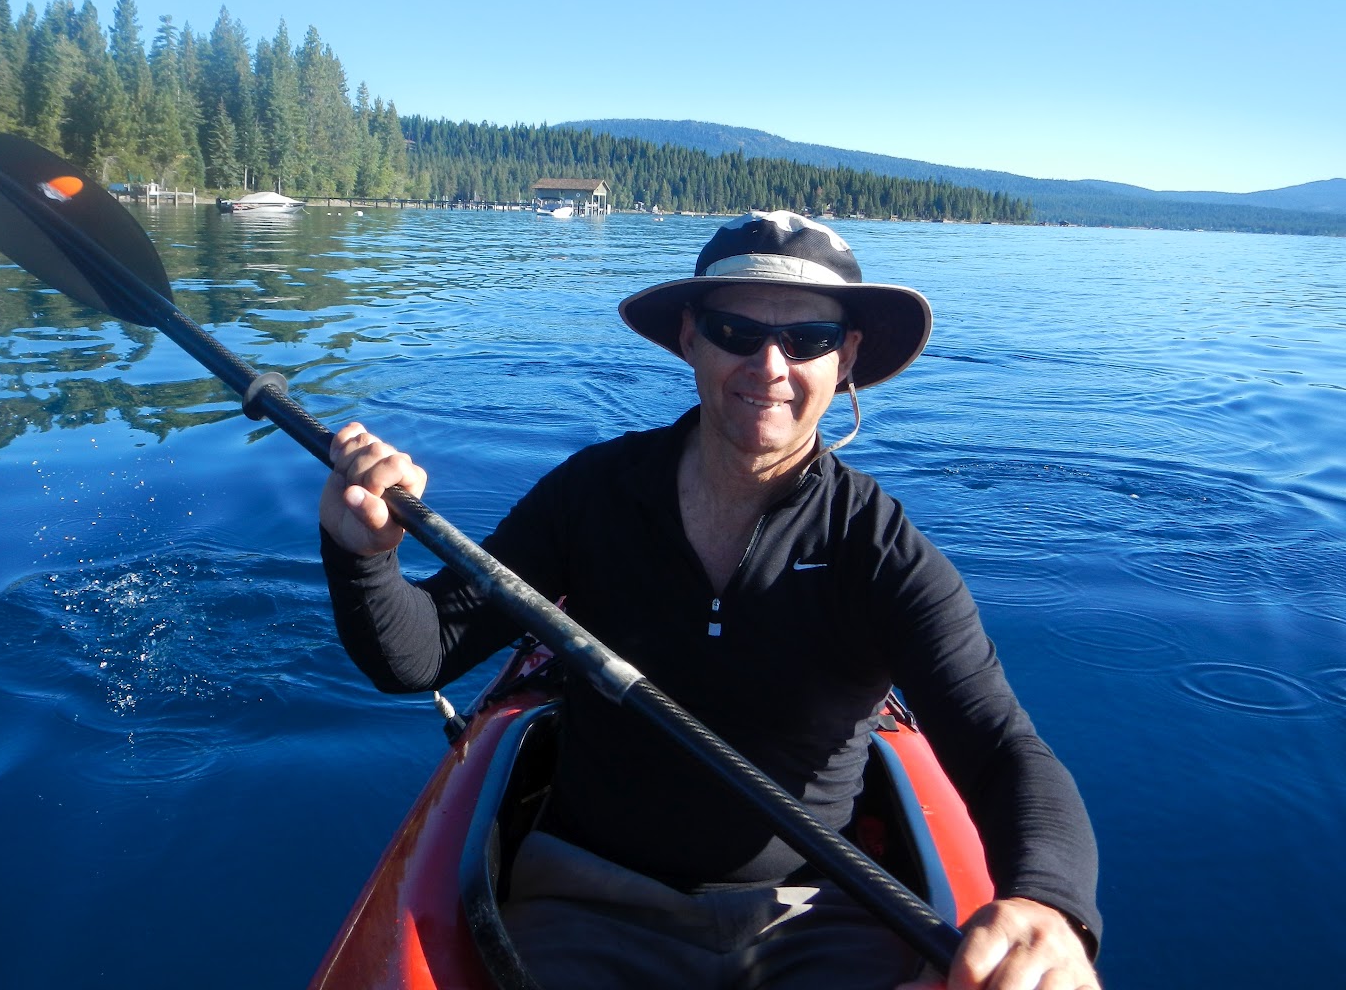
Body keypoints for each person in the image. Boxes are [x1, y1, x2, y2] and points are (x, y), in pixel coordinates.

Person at [319, 210, 1101, 989]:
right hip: (589, 904)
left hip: (815, 914)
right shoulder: (595, 494)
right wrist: (363, 555)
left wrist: (1049, 903)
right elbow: (419, 655)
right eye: (736, 331)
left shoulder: (878, 549)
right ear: (690, 337)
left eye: (808, 340)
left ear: (847, 357)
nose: (769, 365)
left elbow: (1001, 747)